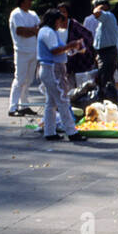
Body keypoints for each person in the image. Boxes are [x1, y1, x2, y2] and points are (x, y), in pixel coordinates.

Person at [36, 8, 83, 140]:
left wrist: (73, 48)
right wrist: (71, 45)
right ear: (53, 20)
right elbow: (55, 50)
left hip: (52, 68)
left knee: (51, 103)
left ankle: (49, 131)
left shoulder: (49, 32)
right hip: (52, 69)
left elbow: (61, 50)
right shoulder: (48, 32)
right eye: (58, 21)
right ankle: (72, 132)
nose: (60, 24)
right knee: (63, 100)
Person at [7, 0, 41, 116]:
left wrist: (32, 30)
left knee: (28, 80)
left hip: (33, 51)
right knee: (19, 79)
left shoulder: (33, 14)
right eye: (28, 0)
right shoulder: (16, 14)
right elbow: (21, 32)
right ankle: (12, 107)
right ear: (22, 1)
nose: (30, 3)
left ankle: (24, 105)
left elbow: (40, 29)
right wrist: (33, 30)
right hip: (21, 51)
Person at [84, 0, 118, 104]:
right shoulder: (104, 20)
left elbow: (96, 13)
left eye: (96, 6)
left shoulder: (107, 16)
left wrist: (99, 6)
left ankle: (110, 103)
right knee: (103, 80)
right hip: (103, 52)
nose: (94, 8)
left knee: (105, 81)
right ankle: (107, 102)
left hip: (108, 52)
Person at [57, 2, 94, 92]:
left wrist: (78, 47)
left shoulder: (74, 25)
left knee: (77, 87)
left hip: (77, 60)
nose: (62, 14)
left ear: (68, 13)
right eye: (60, 12)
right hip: (61, 59)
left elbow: (88, 37)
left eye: (64, 12)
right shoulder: (55, 25)